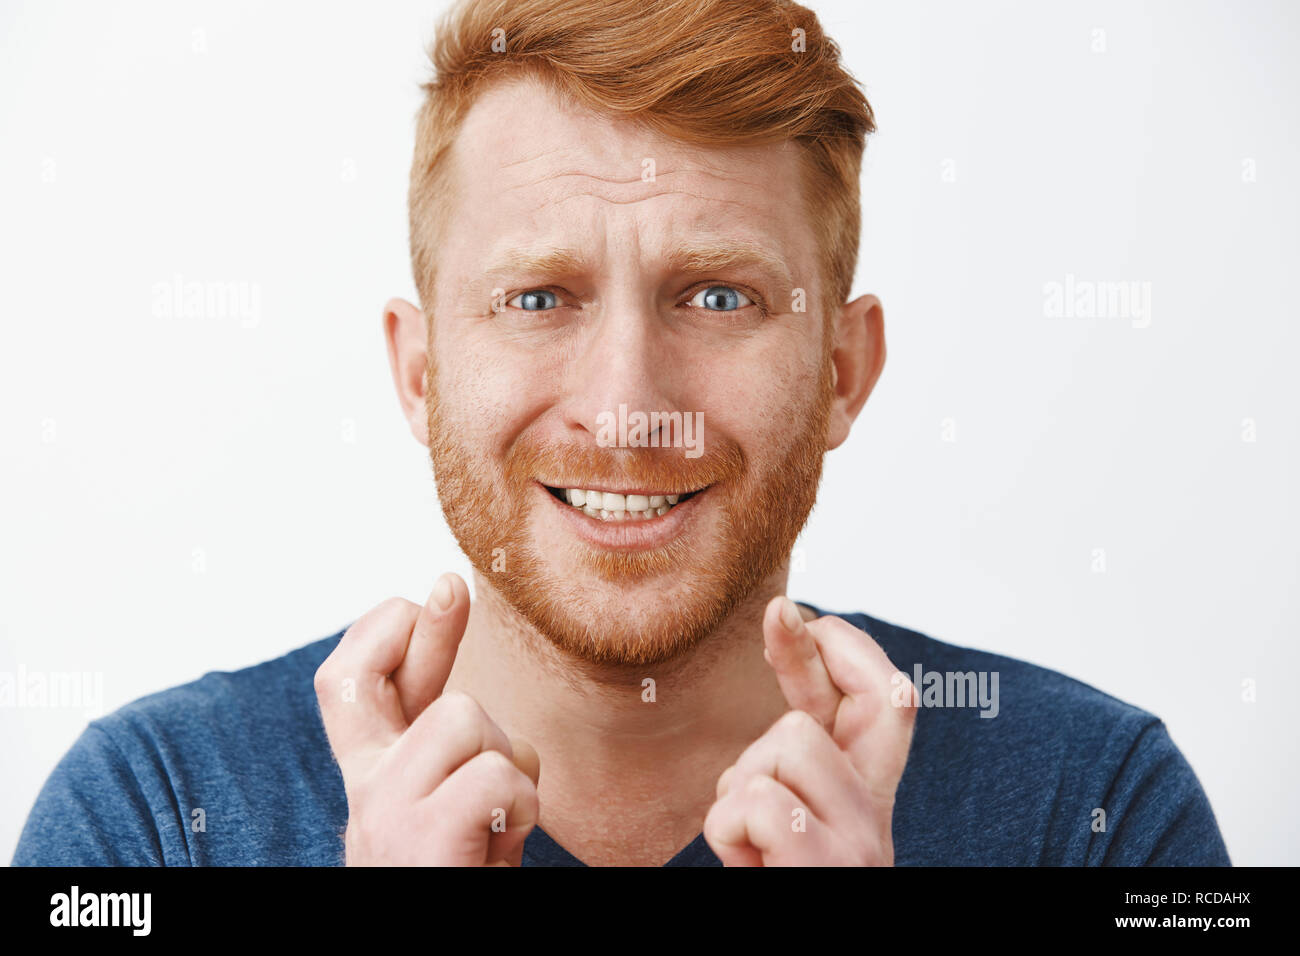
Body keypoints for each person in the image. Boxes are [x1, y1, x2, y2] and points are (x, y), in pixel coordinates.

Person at [13, 0, 1229, 867]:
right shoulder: (151, 820)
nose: (627, 406)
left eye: (717, 296)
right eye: (538, 298)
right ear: (422, 372)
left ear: (844, 371)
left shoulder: (1100, 811)